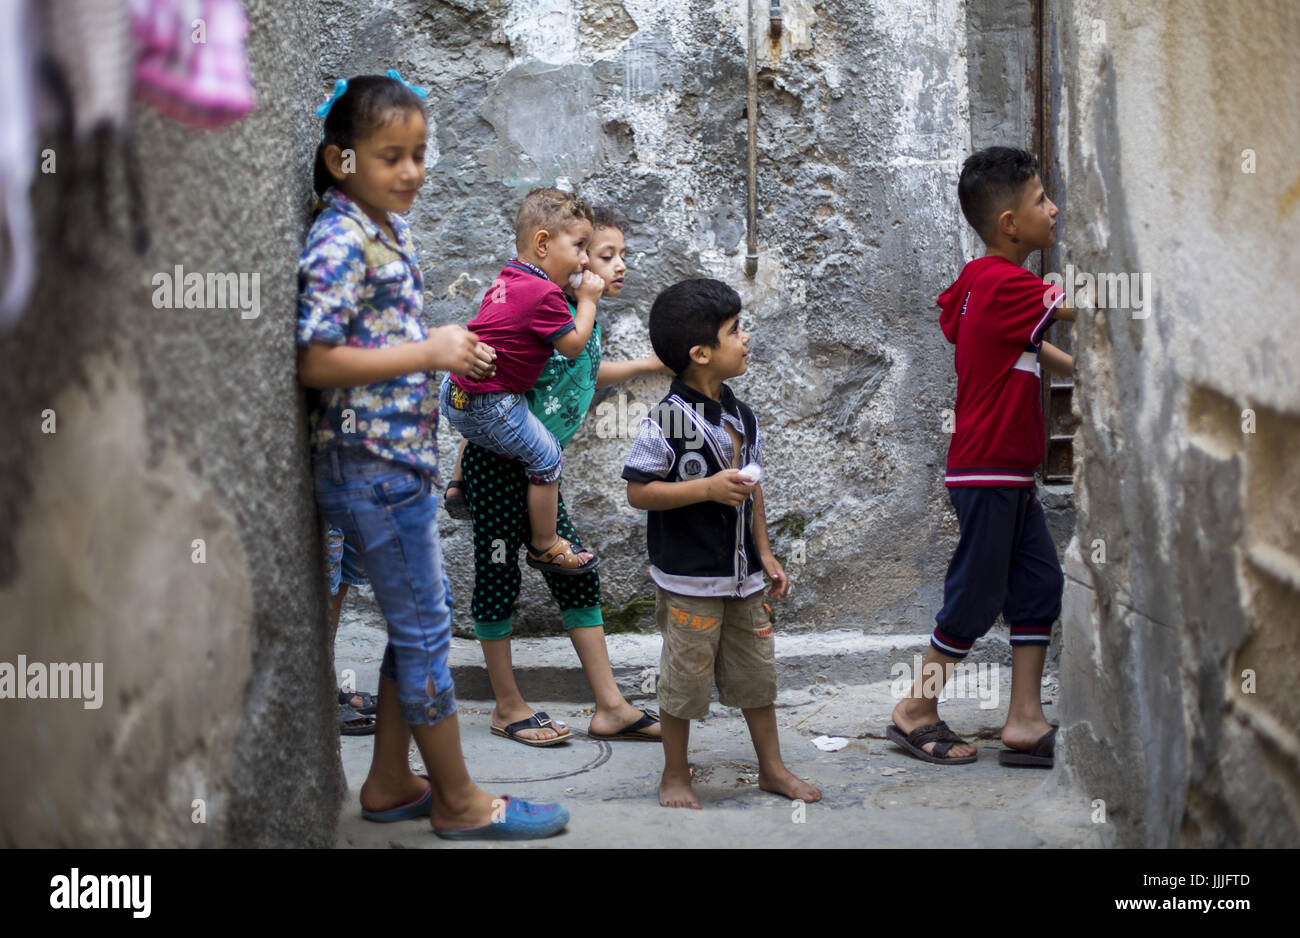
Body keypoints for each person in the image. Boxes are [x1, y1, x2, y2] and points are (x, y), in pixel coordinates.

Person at [298, 71, 568, 838]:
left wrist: (442, 353)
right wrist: (432, 348)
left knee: (417, 622)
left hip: (401, 462)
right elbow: (314, 358)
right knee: (424, 632)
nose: (412, 171)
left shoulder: (385, 227)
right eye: (392, 156)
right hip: (370, 467)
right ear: (342, 159)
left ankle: (388, 782)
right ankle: (458, 801)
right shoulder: (339, 239)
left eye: (418, 153)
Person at [886, 146, 1074, 768]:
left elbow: (1010, 340)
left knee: (1039, 584)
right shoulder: (1010, 283)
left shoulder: (978, 284)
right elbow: (1076, 306)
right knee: (977, 592)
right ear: (1009, 225)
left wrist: (1078, 369)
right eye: (1042, 200)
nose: (1054, 209)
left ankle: (1023, 720)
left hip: (1002, 469)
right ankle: (915, 708)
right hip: (990, 466)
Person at [456, 206, 670, 745]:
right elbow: (494, 392)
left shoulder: (579, 315)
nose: (615, 267)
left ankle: (611, 706)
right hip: (500, 468)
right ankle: (507, 706)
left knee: (578, 574)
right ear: (569, 260)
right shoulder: (551, 313)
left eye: (620, 256)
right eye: (602, 255)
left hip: (534, 476)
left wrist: (645, 365)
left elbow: (586, 370)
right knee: (498, 578)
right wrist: (462, 466)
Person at [622, 278, 821, 809]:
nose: (746, 339)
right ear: (701, 353)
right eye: (736, 331)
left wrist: (767, 553)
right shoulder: (666, 420)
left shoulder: (741, 415)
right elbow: (639, 492)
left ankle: (772, 770)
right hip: (690, 581)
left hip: (743, 578)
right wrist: (705, 489)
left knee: (758, 676)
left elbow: (753, 491)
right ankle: (674, 774)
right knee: (684, 683)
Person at [439, 188, 604, 575]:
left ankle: (458, 483)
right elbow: (575, 346)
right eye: (580, 246)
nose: (584, 259)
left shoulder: (507, 278)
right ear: (543, 243)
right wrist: (589, 301)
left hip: (454, 392)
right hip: (492, 401)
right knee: (547, 458)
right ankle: (545, 544)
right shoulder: (546, 294)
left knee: (486, 433)